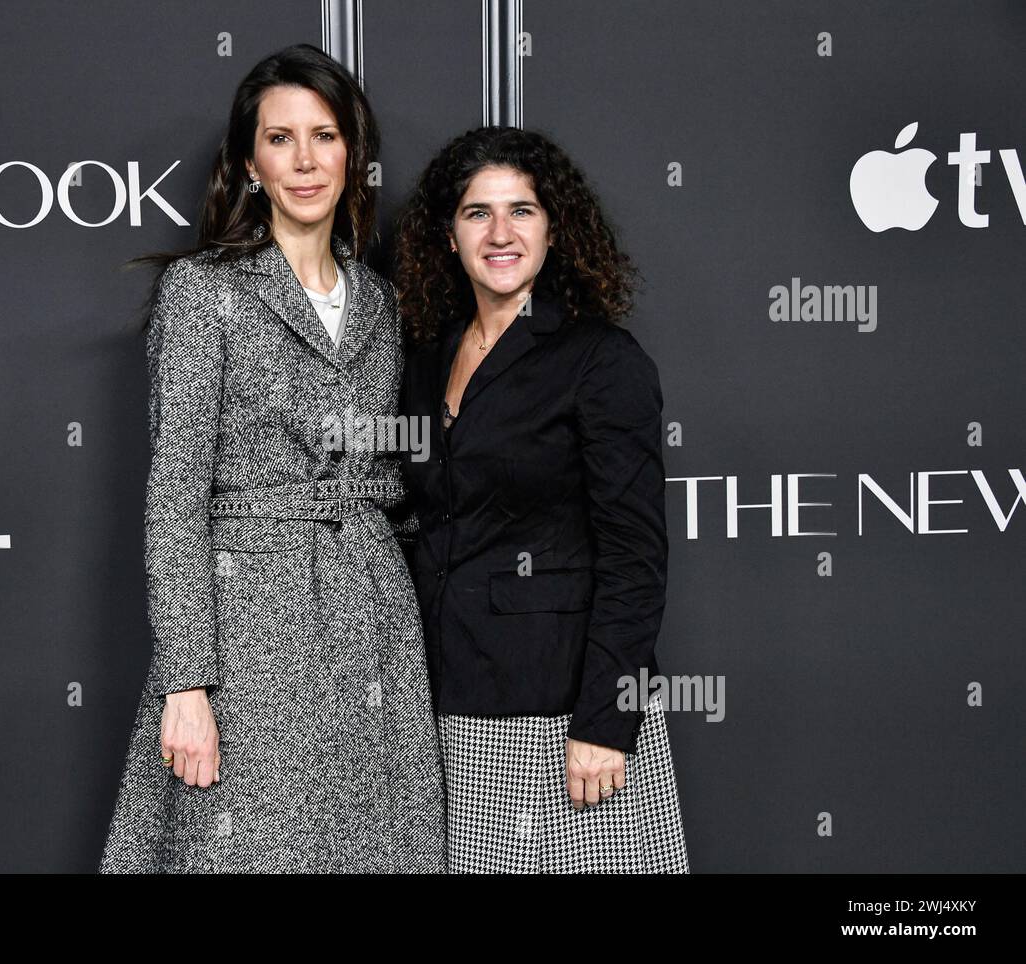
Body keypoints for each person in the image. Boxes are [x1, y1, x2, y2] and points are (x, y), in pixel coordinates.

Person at [98, 44, 446, 873]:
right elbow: (175, 492)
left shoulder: (382, 302)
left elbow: (384, 468)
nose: (304, 160)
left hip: (369, 617)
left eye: (323, 136)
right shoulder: (203, 291)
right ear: (249, 161)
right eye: (280, 138)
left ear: (353, 154)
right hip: (246, 620)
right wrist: (187, 684)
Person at [395, 125, 689, 873]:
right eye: (477, 213)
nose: (501, 233)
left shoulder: (600, 360)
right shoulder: (428, 353)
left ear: (555, 229)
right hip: (444, 697)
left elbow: (635, 557)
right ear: (449, 234)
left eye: (522, 211)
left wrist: (607, 719)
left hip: (561, 711)